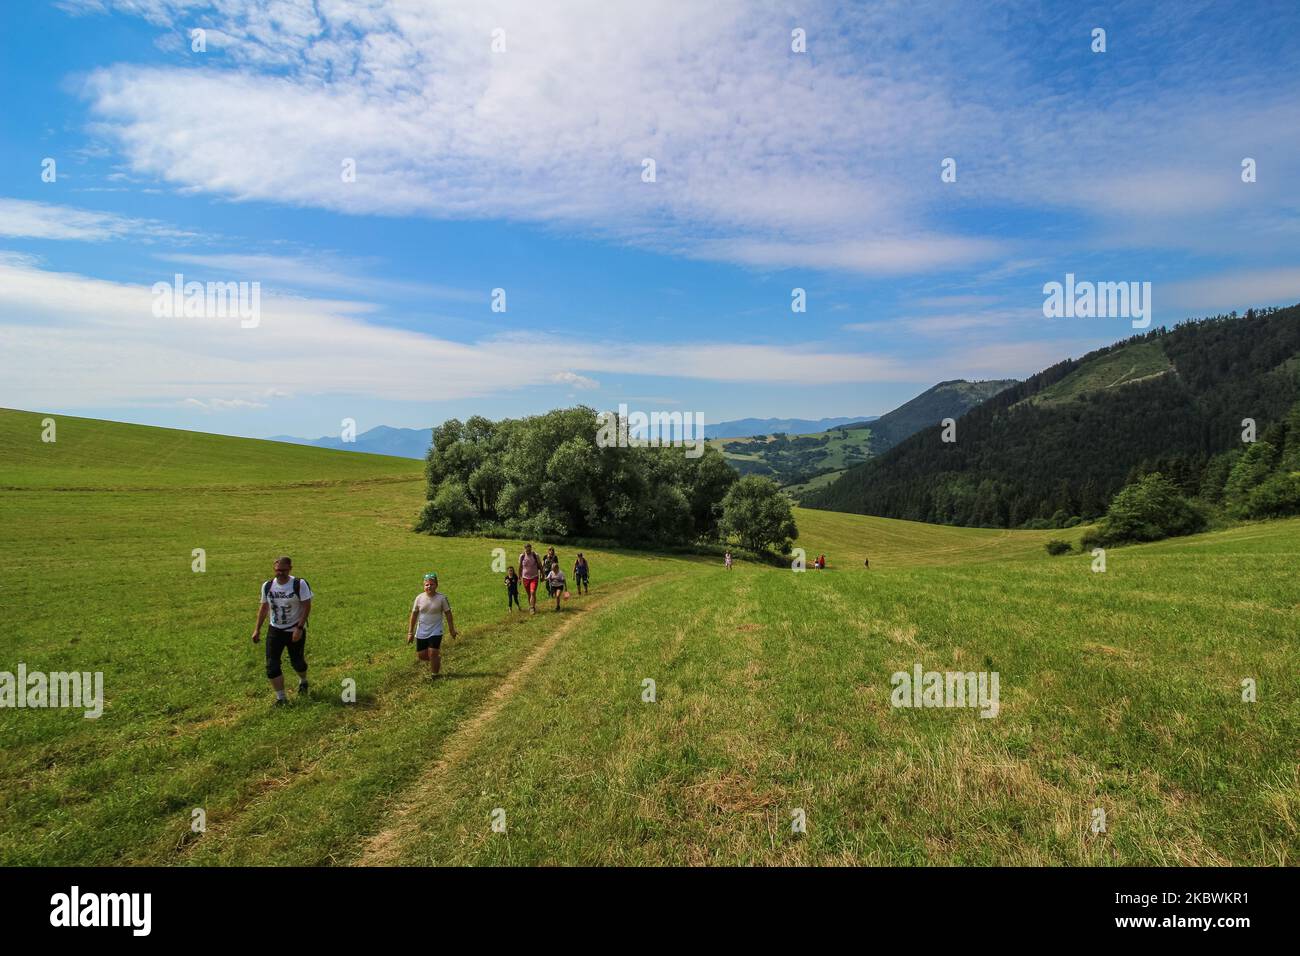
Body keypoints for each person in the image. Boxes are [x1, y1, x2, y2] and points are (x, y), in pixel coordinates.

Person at [252, 555, 312, 706]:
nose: (280, 573)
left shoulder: (299, 584)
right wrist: (257, 629)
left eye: (284, 570)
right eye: (278, 570)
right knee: (272, 666)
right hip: (275, 630)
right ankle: (281, 698)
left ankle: (303, 681)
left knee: (297, 663)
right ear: (274, 568)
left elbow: (306, 606)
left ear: (290, 569)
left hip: (294, 630)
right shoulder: (268, 585)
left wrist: (299, 628)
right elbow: (264, 607)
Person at [408, 572, 457, 678]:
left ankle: (435, 675)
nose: (429, 586)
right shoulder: (419, 598)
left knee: (433, 652)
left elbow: (448, 613)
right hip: (422, 630)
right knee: (421, 655)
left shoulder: (442, 598)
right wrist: (410, 632)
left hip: (436, 629)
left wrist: (451, 629)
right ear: (423, 586)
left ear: (436, 585)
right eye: (426, 584)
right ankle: (436, 659)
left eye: (432, 584)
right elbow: (414, 614)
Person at [519, 543, 542, 614]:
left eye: (529, 549)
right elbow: (520, 567)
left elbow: (540, 565)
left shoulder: (535, 555)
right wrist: (519, 577)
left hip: (534, 577)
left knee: (532, 592)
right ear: (525, 549)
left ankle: (532, 608)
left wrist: (543, 574)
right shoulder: (522, 556)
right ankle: (532, 606)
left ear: (531, 549)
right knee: (529, 594)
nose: (528, 551)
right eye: (526, 549)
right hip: (525, 578)